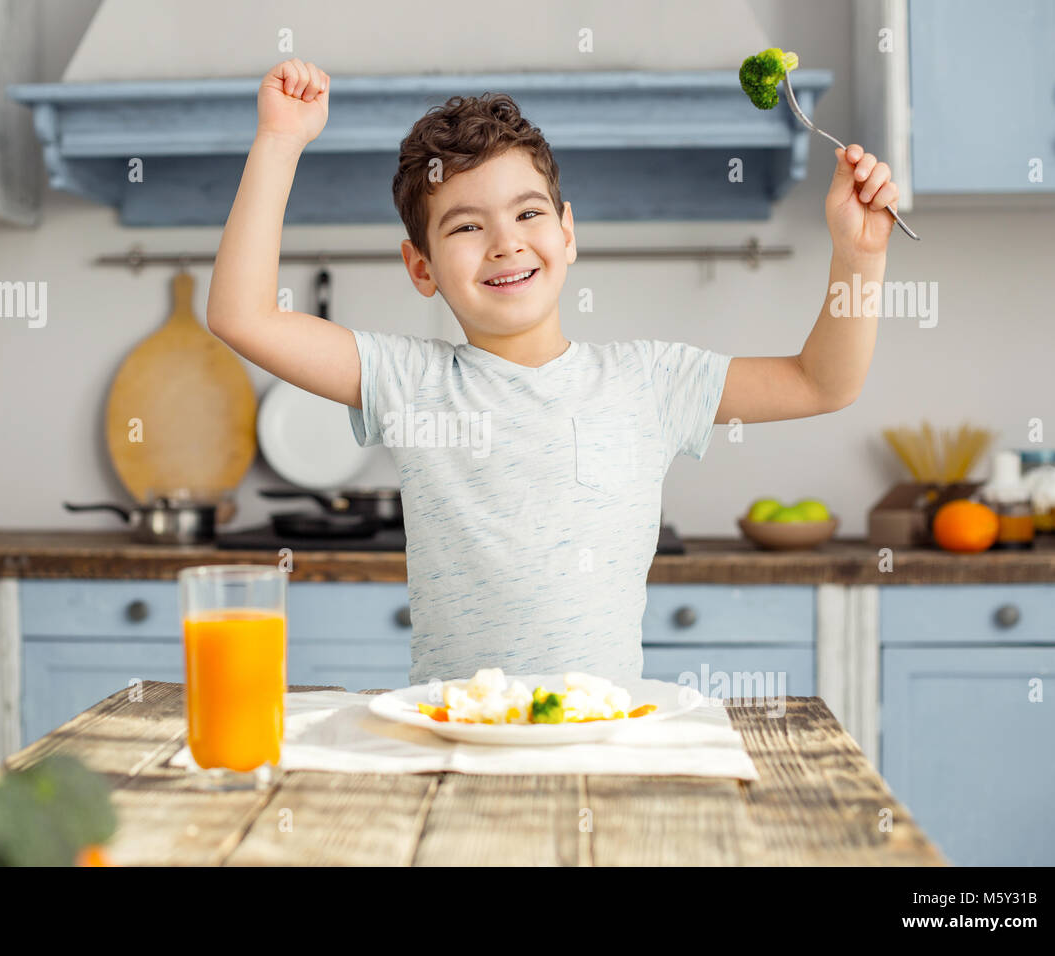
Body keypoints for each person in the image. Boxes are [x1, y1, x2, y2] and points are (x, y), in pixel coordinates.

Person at [207, 59, 898, 685]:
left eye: (528, 213)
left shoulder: (651, 381)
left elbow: (822, 382)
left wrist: (860, 258)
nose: (506, 241)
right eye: (466, 227)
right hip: (454, 742)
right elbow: (242, 315)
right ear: (421, 268)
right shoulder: (408, 381)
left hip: (600, 742)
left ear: (566, 233)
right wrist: (280, 140)